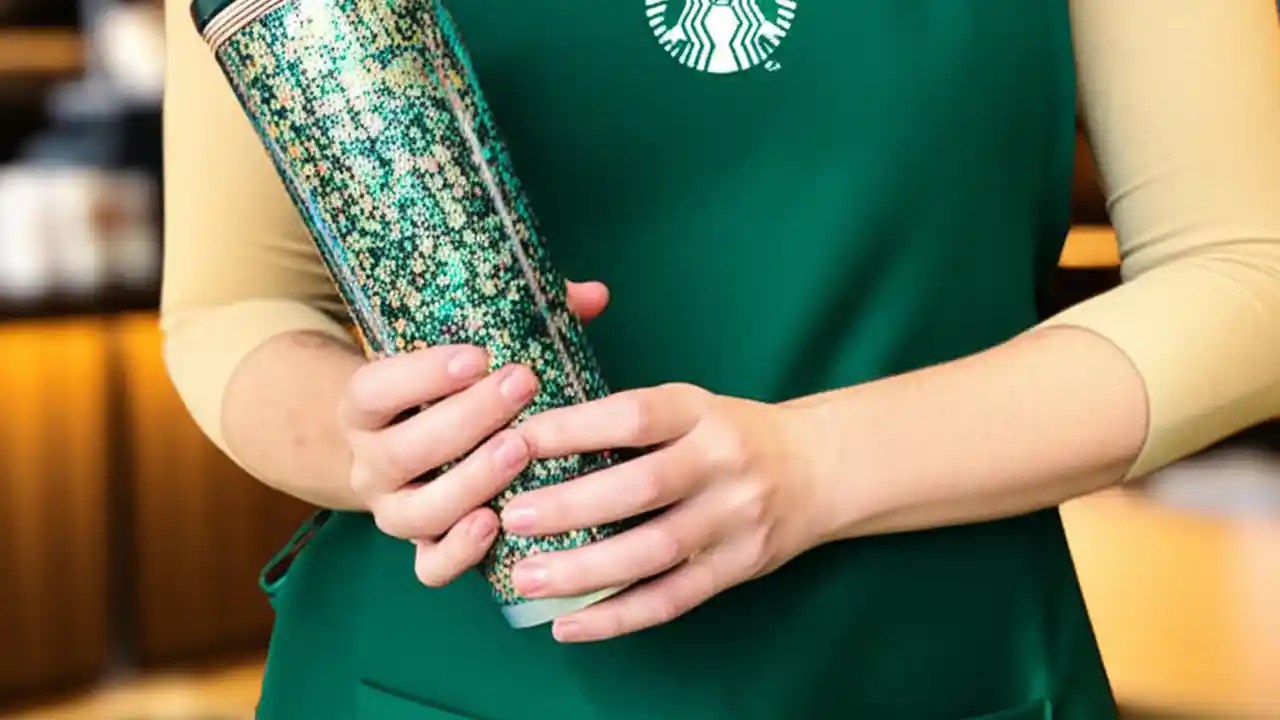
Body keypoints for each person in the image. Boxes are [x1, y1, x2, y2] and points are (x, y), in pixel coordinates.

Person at [160, 0, 1280, 717]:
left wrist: (816, 465)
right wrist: (372, 445)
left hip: (931, 669)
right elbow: (236, 309)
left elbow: (1249, 267)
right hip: (430, 675)